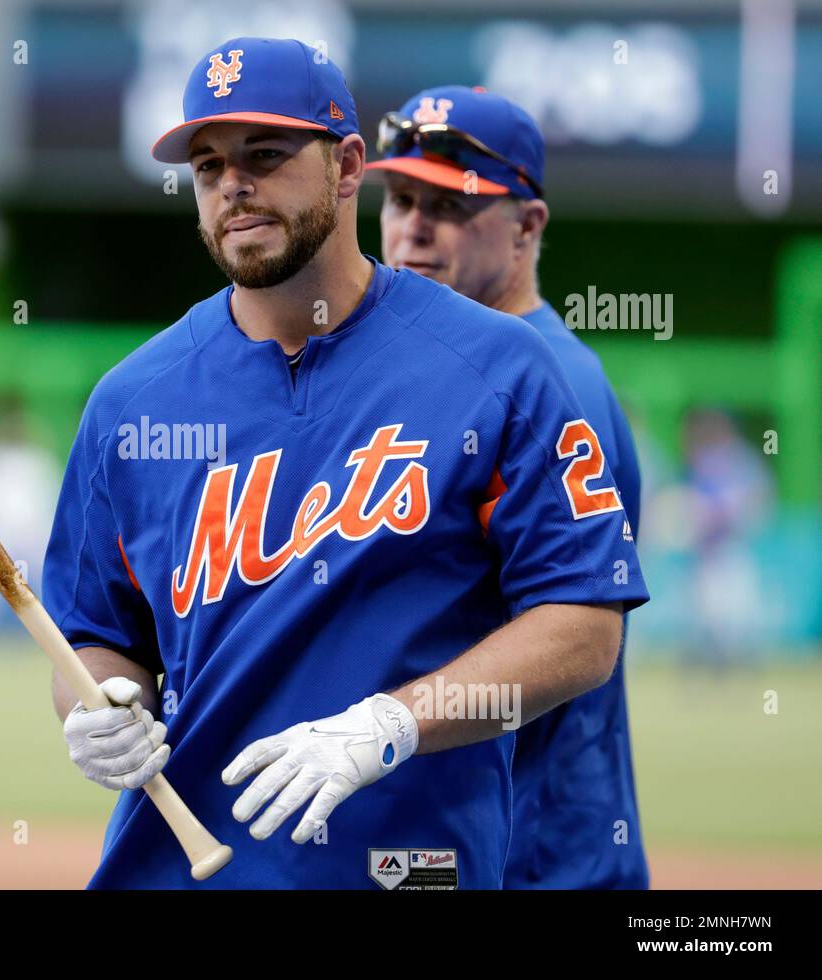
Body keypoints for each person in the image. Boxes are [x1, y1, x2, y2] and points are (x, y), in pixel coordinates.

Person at [43, 39, 647, 889]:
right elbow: (96, 640)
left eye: (266, 155)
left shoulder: (499, 368)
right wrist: (98, 708)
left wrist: (390, 724)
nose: (233, 185)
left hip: (408, 870)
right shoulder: (129, 402)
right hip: (181, 867)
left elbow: (585, 626)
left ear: (348, 165)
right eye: (208, 164)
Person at [368, 85, 649, 888]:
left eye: (452, 205)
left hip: (535, 854)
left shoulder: (551, 383)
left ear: (528, 226)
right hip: (458, 845)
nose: (413, 227)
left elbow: (570, 637)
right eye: (402, 197)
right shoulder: (442, 366)